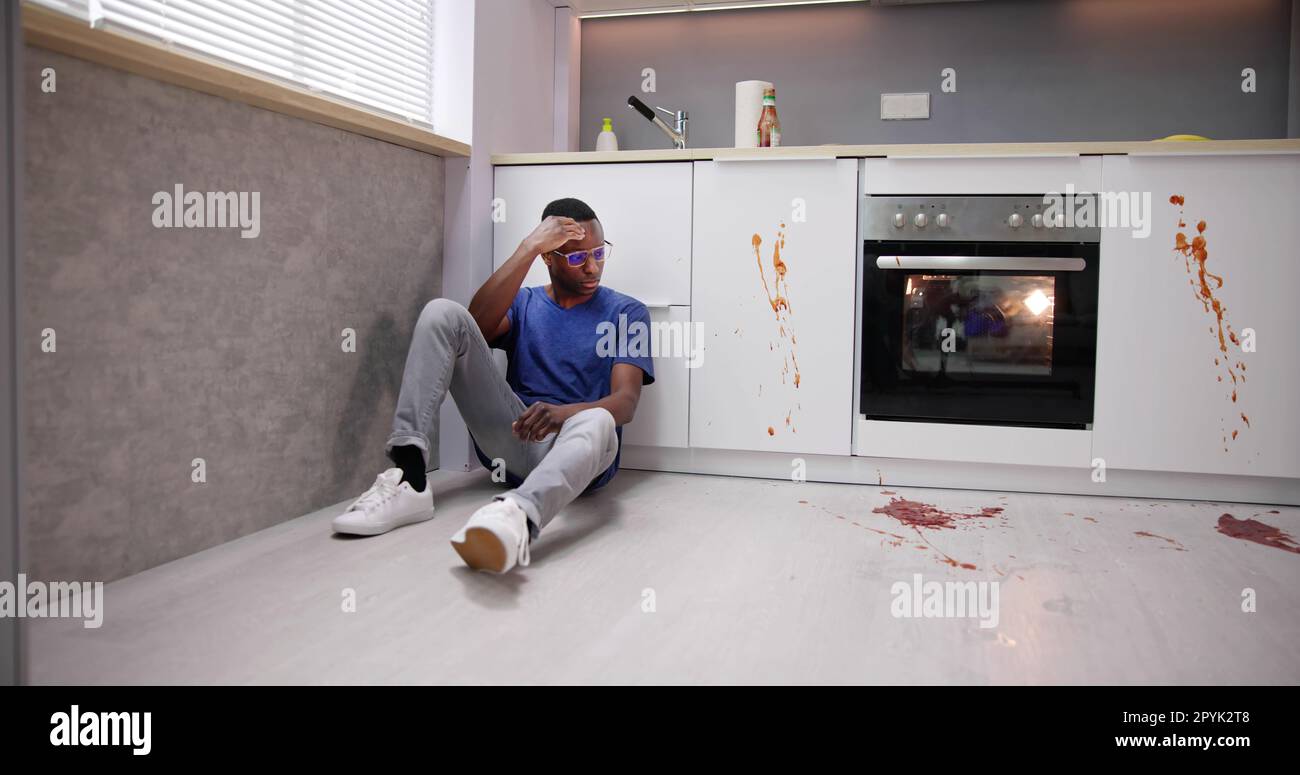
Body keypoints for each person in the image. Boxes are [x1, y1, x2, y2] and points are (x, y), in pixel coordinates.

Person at [331, 197, 655, 575]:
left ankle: (517, 516)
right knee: (442, 312)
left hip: (584, 448)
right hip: (517, 440)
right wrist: (528, 247)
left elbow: (626, 403)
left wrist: (562, 415)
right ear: (548, 258)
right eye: (575, 257)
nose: (592, 266)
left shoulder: (626, 312)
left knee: (599, 420)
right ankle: (410, 474)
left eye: (599, 252)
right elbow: (475, 327)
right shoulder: (525, 303)